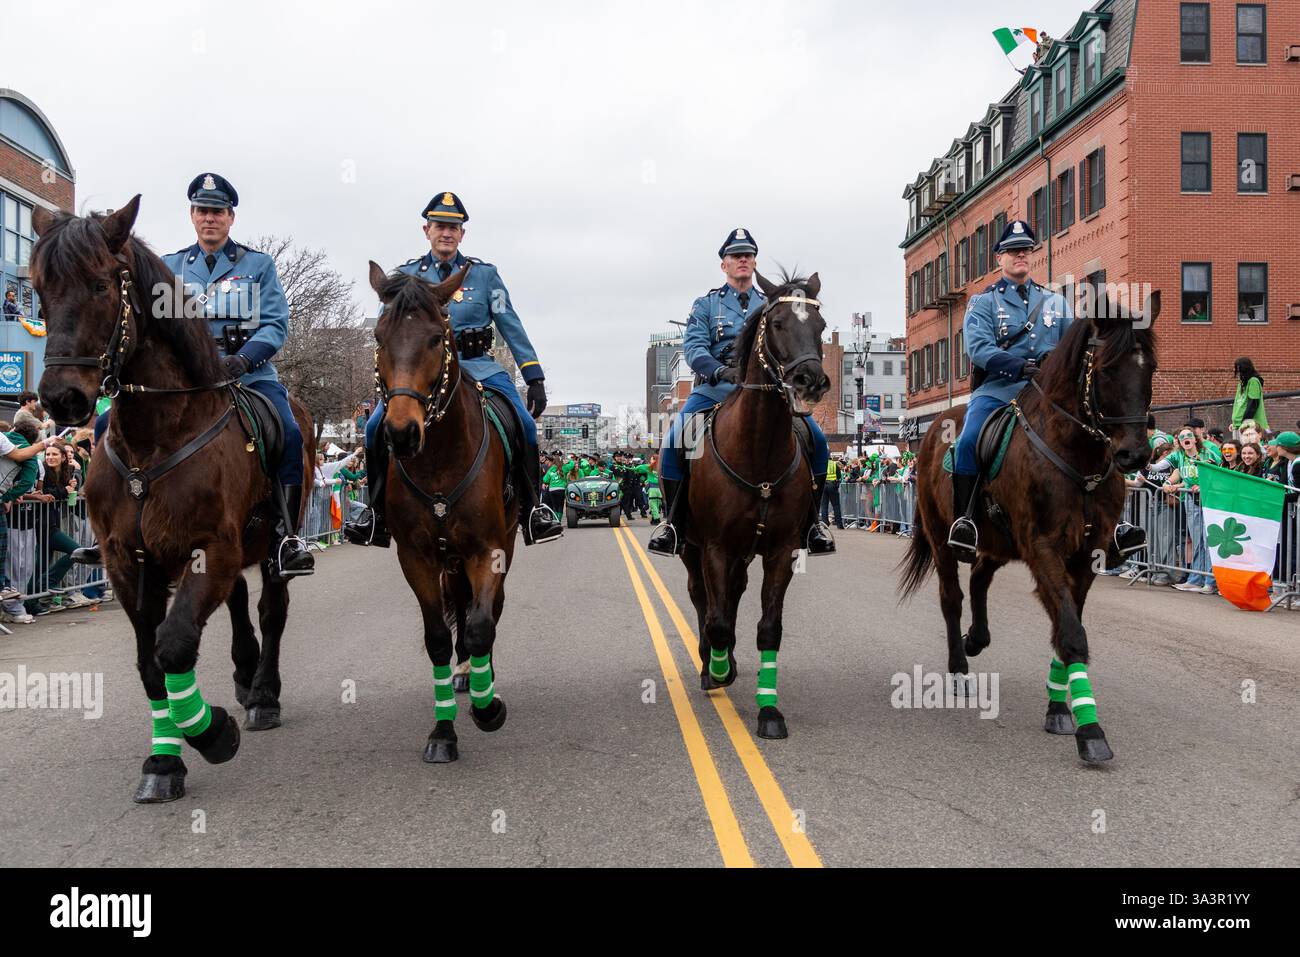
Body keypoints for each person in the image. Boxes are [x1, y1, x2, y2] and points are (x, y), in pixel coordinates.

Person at [77, 173, 312, 579]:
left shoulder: (257, 265)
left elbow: (275, 325)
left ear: (230, 217)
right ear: (192, 215)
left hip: (248, 374)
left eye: (217, 212)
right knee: (104, 424)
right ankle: (110, 531)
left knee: (288, 432)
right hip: (184, 381)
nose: (210, 219)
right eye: (203, 211)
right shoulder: (168, 266)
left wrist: (243, 359)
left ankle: (285, 536)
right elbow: (149, 326)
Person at [344, 191, 562, 548]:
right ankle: (375, 515)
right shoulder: (406, 276)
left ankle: (532, 510)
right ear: (426, 230)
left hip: (479, 367)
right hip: (421, 375)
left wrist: (533, 374)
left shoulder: (486, 277)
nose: (446, 233)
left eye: (454, 228)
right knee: (372, 429)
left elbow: (510, 323)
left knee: (523, 423)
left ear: (462, 235)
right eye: (440, 226)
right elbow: (389, 331)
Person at [648, 228, 834, 556]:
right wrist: (719, 370)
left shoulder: (774, 304)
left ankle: (812, 524)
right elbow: (693, 348)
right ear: (724, 265)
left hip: (769, 393)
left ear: (754, 262)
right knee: (676, 437)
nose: (742, 260)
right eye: (736, 256)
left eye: (748, 255)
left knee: (817, 440)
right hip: (716, 389)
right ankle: (673, 523)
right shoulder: (706, 304)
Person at [949, 219, 1072, 560]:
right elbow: (978, 349)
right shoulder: (983, 302)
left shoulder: (1056, 303)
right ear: (999, 259)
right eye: (1012, 250)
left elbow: (1073, 345)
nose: (1021, 254)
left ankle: (1108, 523)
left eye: (1025, 249)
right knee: (968, 440)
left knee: (1092, 431)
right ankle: (965, 522)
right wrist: (1018, 365)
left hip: (1047, 391)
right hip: (1000, 389)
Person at [1164, 428, 1217, 593]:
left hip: (1209, 500)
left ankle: (1211, 581)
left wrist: (1204, 485)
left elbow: (1218, 473)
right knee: (1197, 541)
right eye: (1182, 437)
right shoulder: (1180, 456)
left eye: (1189, 436)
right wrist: (1168, 483)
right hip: (1190, 500)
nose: (1186, 438)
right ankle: (1196, 578)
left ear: (1195, 439)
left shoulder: (1208, 453)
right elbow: (1168, 470)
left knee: (1209, 541)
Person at [1231, 357, 1268, 437]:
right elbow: (1240, 405)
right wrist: (1234, 423)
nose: (1238, 373)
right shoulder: (1242, 383)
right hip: (1238, 425)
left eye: (1240, 370)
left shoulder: (1253, 381)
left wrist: (1245, 422)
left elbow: (1253, 404)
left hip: (1249, 426)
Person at [820, 454, 844, 529]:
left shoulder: (822, 465)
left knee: (824, 505)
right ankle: (839, 524)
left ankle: (825, 524)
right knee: (836, 505)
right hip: (832, 485)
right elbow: (839, 476)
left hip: (824, 485)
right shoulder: (835, 464)